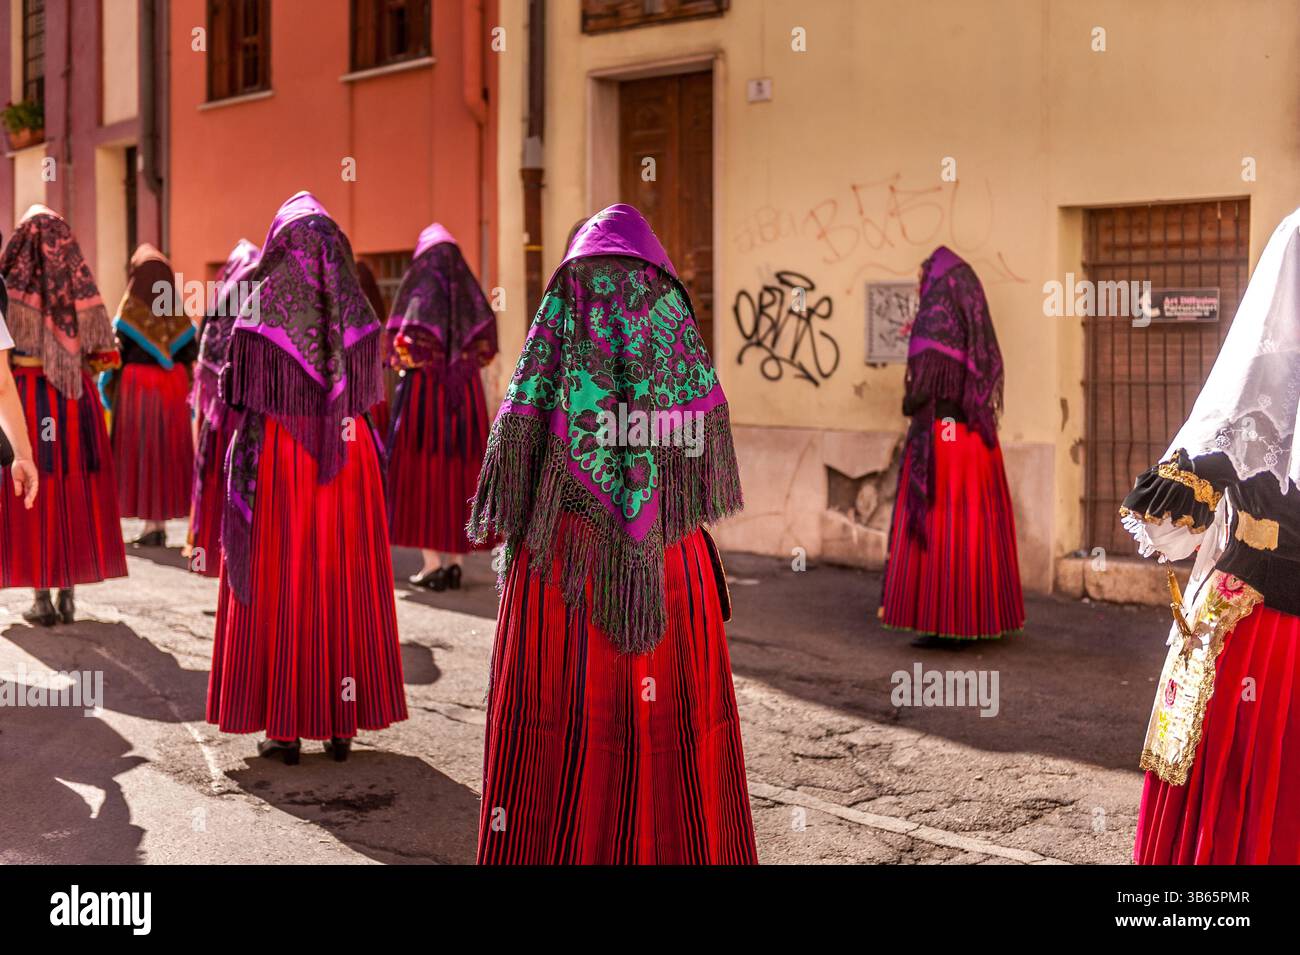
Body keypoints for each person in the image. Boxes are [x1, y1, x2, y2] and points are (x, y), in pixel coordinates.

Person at [468, 203, 756, 864]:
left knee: (560, 738)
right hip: (668, 567)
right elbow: (691, 457)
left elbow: (518, 454)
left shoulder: (557, 327)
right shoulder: (670, 327)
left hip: (560, 571)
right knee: (665, 738)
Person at [1121, 206, 1300, 864]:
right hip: (1258, 629)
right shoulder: (1260, 410)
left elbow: (1163, 517)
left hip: (1260, 640)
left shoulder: (1251, 407)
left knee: (1234, 817)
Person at [206, 192, 407, 763]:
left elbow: (234, 391)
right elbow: (372, 388)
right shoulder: (357, 311)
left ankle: (285, 727)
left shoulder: (258, 306)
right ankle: (340, 725)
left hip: (280, 451)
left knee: (283, 576)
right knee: (341, 574)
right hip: (348, 455)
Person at [879, 246, 1024, 645]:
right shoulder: (972, 319)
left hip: (941, 441)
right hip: (976, 442)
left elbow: (921, 391)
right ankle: (975, 618)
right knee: (974, 528)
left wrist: (910, 404)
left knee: (942, 528)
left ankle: (943, 621)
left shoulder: (934, 313)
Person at [0, 205, 126, 624]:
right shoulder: (78, 279)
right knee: (73, 486)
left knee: (34, 488)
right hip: (75, 398)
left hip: (26, 398)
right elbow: (105, 351)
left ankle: (40, 596)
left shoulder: (9, 282)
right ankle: (67, 591)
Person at [385, 223, 497, 590]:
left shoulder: (419, 293)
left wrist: (415, 359)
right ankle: (454, 563)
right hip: (465, 396)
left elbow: (401, 346)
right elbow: (485, 344)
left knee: (424, 468)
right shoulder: (468, 296)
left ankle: (432, 564)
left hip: (424, 397)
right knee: (461, 469)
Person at [100, 244, 197, 547]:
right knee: (167, 451)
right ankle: (159, 525)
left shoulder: (129, 312)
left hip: (138, 388)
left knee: (141, 450)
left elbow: (116, 355)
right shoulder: (178, 314)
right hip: (173, 388)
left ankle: (149, 524)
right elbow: (190, 354)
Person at [187, 238, 260, 577]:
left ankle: (223, 566)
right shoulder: (266, 286)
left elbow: (206, 356)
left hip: (223, 413)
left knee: (223, 482)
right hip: (258, 413)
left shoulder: (227, 293)